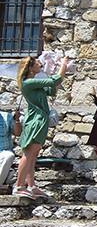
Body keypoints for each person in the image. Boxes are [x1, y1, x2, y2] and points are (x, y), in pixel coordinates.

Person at [16, 54, 68, 198]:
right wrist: (63, 65)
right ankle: (19, 185)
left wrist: (61, 71)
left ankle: (31, 186)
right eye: (37, 63)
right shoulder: (28, 83)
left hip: (41, 120)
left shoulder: (34, 84)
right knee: (29, 153)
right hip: (35, 120)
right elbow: (52, 81)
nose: (40, 65)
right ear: (31, 68)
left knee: (34, 154)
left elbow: (52, 89)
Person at [0, 108, 22, 184]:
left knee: (8, 156)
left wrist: (16, 120)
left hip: (3, 152)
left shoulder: (6, 117)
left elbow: (18, 133)